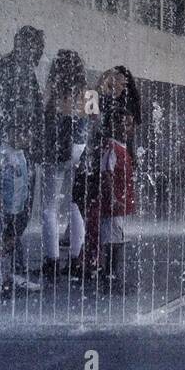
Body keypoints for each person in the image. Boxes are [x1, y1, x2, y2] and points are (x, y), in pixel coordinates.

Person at [0, 26, 45, 273]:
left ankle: (5, 264)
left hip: (17, 150)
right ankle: (1, 265)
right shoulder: (9, 70)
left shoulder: (20, 71)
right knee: (9, 210)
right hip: (10, 152)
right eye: (36, 47)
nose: (38, 53)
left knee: (13, 210)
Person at [40, 50, 89, 279]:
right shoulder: (87, 94)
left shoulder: (54, 89)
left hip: (57, 150)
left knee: (49, 207)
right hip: (79, 150)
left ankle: (52, 260)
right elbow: (93, 122)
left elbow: (43, 114)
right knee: (75, 205)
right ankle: (77, 259)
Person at [78, 105, 137, 288]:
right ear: (113, 126)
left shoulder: (121, 147)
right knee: (113, 242)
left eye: (130, 125)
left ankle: (111, 275)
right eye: (124, 125)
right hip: (112, 206)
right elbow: (106, 174)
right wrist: (112, 198)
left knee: (116, 240)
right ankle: (110, 277)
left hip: (118, 205)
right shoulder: (111, 148)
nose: (128, 129)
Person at [0, 119, 40, 294]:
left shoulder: (22, 154)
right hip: (2, 208)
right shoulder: (1, 152)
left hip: (18, 208)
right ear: (11, 133)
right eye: (22, 134)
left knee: (11, 241)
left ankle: (9, 277)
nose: (27, 137)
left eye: (27, 134)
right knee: (1, 242)